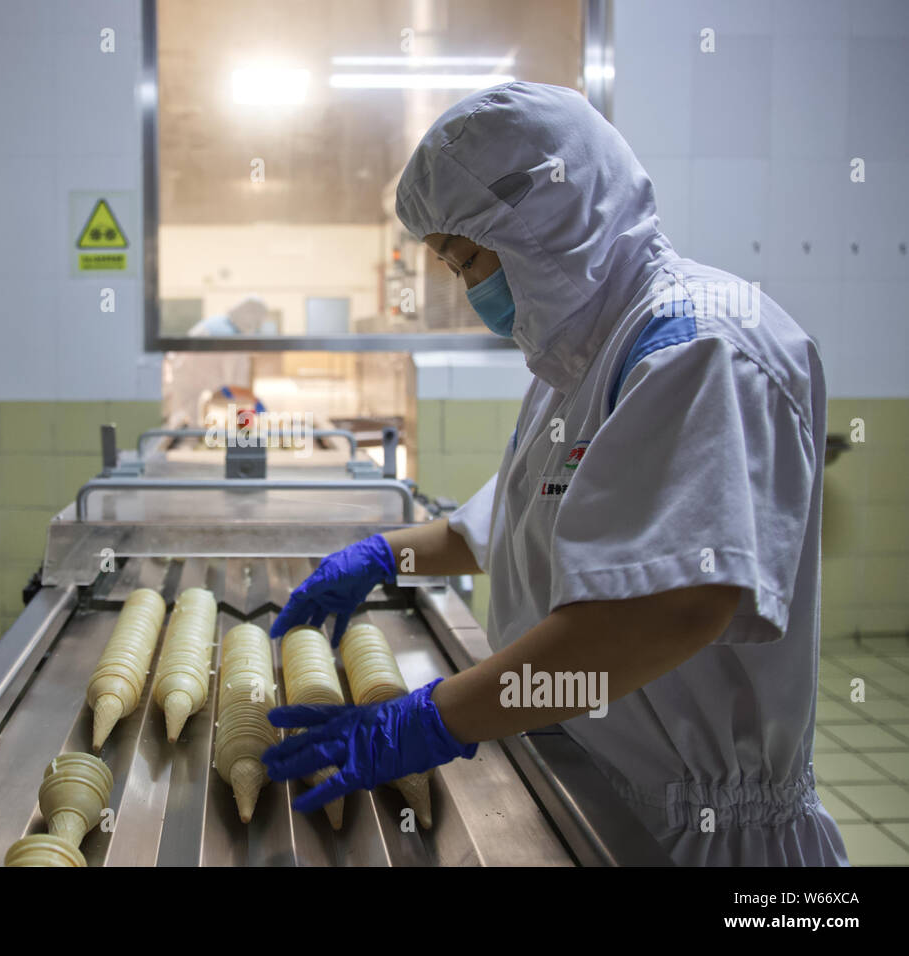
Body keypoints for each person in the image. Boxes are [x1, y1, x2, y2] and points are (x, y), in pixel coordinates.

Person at [262, 81, 849, 867]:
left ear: (545, 222)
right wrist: (379, 558)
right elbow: (516, 525)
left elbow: (673, 609)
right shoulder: (578, 357)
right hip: (593, 787)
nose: (471, 288)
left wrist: (432, 719)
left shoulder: (701, 346)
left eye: (470, 258)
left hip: (707, 833)